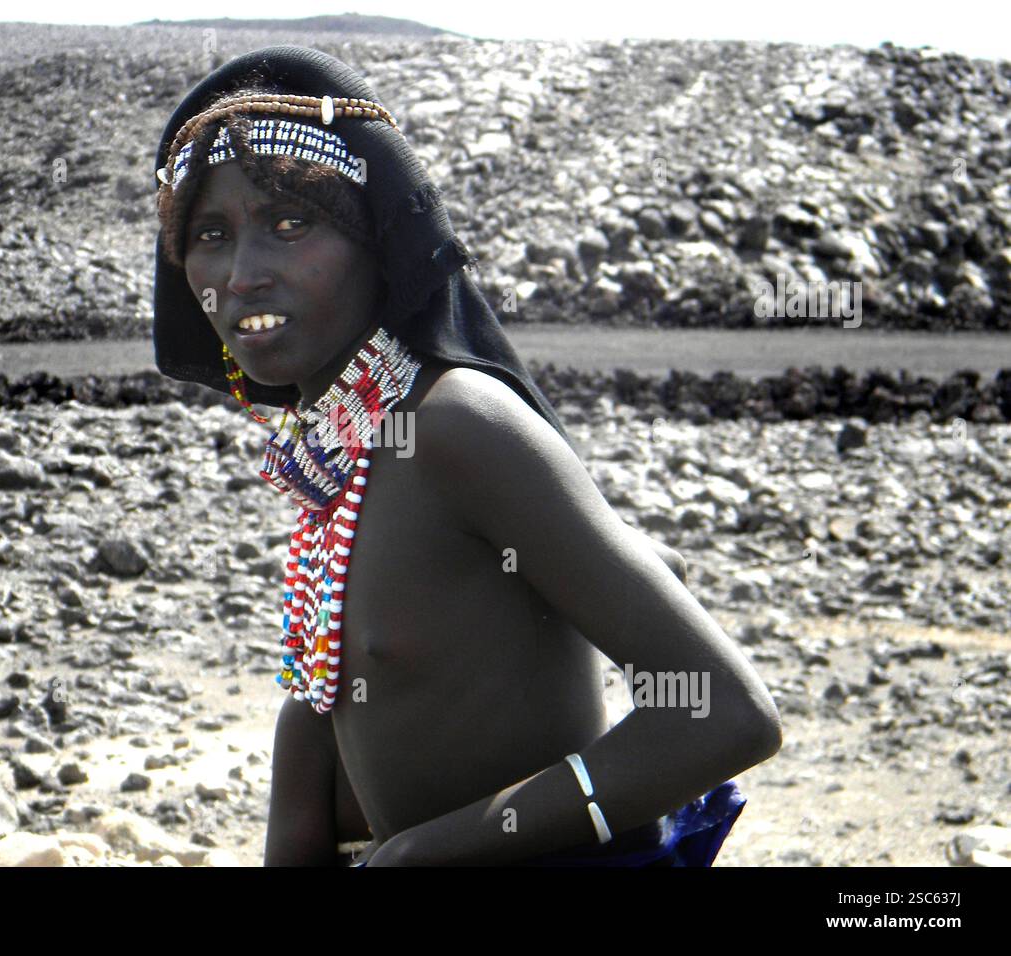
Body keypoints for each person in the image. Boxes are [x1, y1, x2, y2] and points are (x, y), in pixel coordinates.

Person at [151, 45, 781, 866]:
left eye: (289, 222)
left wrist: (429, 853)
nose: (241, 274)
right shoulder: (339, 460)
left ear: (377, 239)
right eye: (209, 235)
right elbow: (336, 715)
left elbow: (724, 711)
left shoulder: (456, 424)